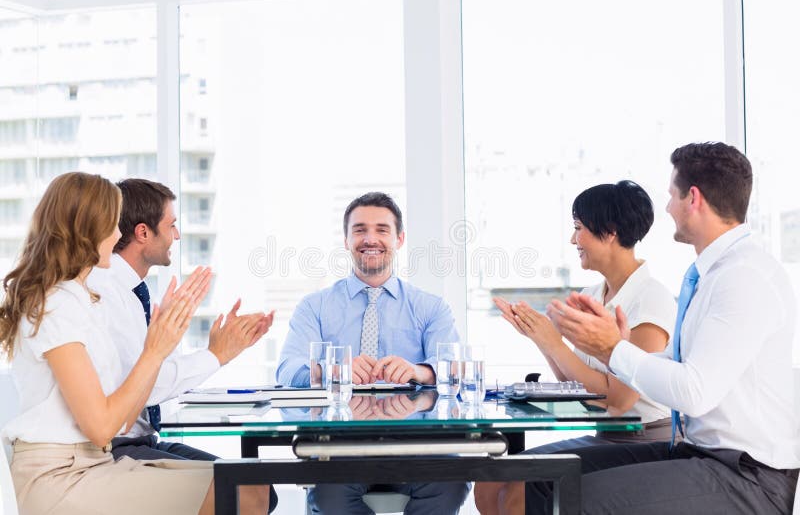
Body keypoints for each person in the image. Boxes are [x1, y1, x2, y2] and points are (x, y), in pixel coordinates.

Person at [523, 143, 798, 514]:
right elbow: (680, 363)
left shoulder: (742, 277)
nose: (667, 207)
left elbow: (695, 392)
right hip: (700, 453)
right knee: (545, 482)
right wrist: (621, 345)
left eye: (672, 195)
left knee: (576, 501)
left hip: (747, 476)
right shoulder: (713, 274)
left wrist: (613, 351)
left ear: (693, 198)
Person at [0, 172, 268, 514]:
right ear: (87, 230)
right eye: (112, 224)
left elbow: (124, 421)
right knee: (241, 494)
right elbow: (101, 428)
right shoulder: (56, 303)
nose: (117, 234)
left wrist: (158, 349)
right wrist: (154, 350)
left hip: (92, 462)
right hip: (60, 476)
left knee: (251, 487)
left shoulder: (84, 298)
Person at [475, 181, 677, 513]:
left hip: (645, 439)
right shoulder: (595, 293)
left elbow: (619, 398)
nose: (573, 239)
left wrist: (555, 342)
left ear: (609, 232)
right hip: (607, 436)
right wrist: (543, 339)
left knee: (520, 493)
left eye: (578, 228)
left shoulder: (650, 300)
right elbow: (578, 386)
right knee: (490, 480)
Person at [86, 178, 278, 511]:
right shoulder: (108, 291)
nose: (177, 235)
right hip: (117, 447)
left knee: (259, 487)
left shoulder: (134, 294)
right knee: (247, 494)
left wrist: (217, 350)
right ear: (143, 233)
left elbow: (156, 374)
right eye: (171, 225)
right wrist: (215, 356)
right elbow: (144, 385)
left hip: (144, 438)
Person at [276, 191, 469, 515]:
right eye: (360, 229)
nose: (370, 239)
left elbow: (454, 368)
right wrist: (333, 370)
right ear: (346, 239)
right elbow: (286, 372)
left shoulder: (430, 307)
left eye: (382, 229)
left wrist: (418, 371)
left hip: (419, 444)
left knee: (450, 481)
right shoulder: (315, 307)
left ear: (399, 239)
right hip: (338, 447)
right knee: (329, 495)